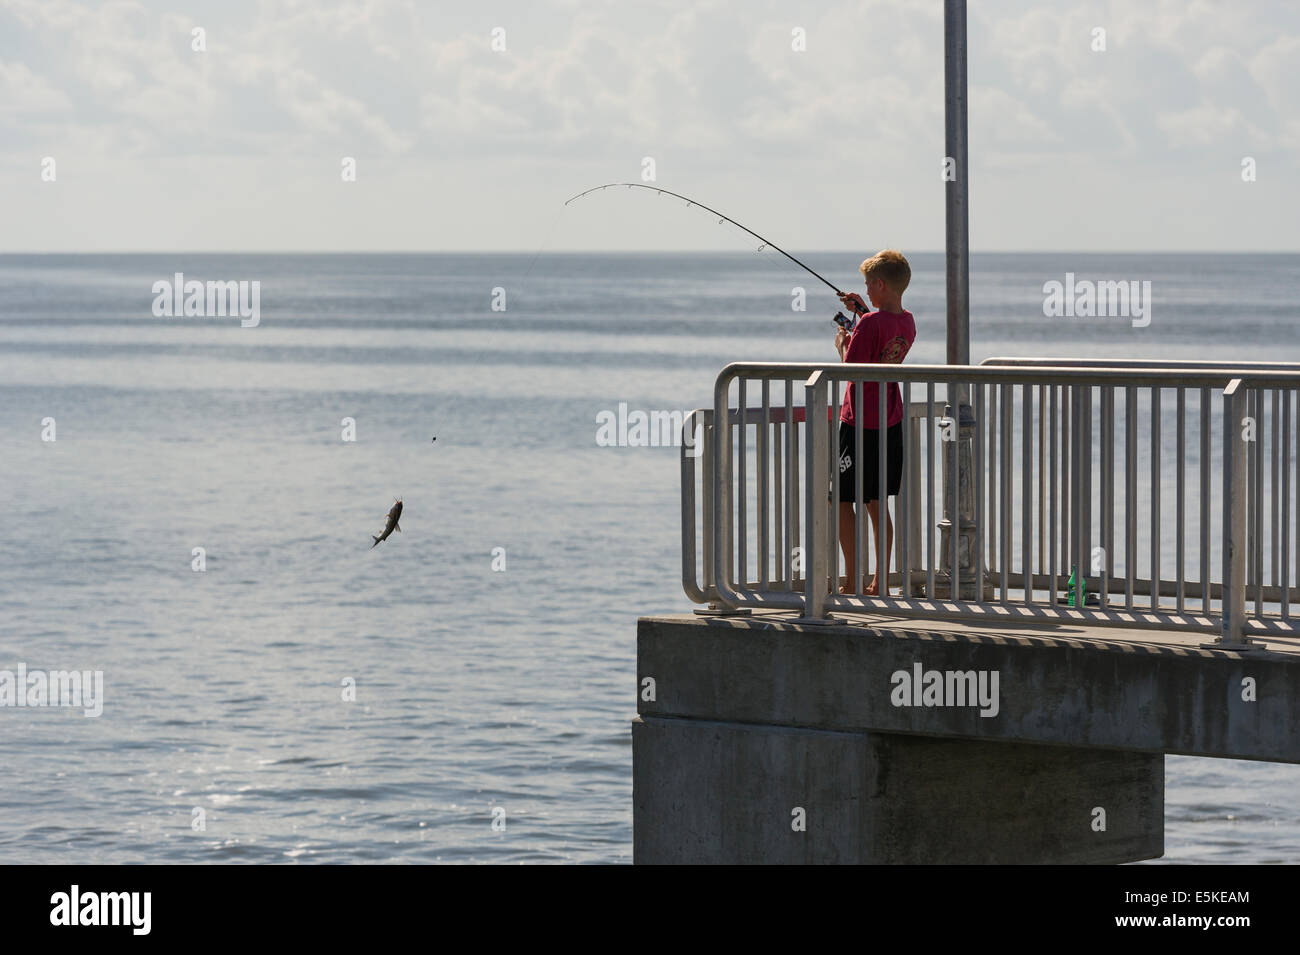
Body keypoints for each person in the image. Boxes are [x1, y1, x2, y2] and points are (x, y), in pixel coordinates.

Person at [833, 249, 916, 596]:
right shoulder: (907, 321)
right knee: (877, 501)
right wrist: (863, 314)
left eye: (868, 285)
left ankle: (852, 580)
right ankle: (880, 580)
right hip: (890, 420)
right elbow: (882, 342)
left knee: (840, 499)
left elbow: (850, 369)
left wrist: (843, 341)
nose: (865, 290)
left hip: (859, 421)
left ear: (881, 284)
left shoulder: (869, 324)